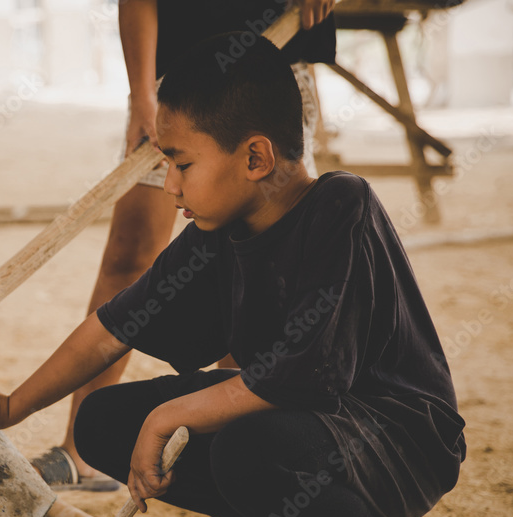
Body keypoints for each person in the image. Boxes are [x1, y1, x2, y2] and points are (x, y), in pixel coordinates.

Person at [0, 34, 465, 517]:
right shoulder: (218, 234)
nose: (169, 185)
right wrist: (12, 408)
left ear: (255, 158)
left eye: (181, 163)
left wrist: (172, 414)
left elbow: (306, 374)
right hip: (302, 425)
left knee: (244, 448)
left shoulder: (340, 207)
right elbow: (111, 329)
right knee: (103, 422)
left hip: (397, 437)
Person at [32, 0, 337, 490]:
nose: (176, 186)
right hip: (180, 84)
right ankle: (77, 452)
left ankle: (231, 454)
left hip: (272, 68)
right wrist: (141, 96)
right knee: (130, 253)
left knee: (262, 262)